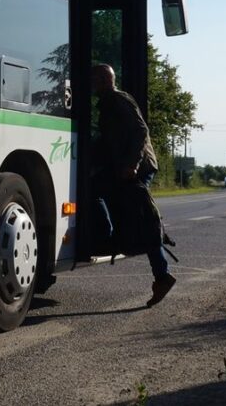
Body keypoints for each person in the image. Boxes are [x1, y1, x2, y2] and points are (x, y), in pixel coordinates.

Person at [91, 63, 176, 307]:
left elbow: (140, 131)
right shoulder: (107, 104)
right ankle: (111, 238)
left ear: (105, 80)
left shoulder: (119, 100)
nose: (92, 84)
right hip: (123, 168)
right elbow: (110, 140)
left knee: (144, 220)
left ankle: (162, 275)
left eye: (96, 79)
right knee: (97, 191)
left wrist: (132, 164)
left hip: (138, 168)